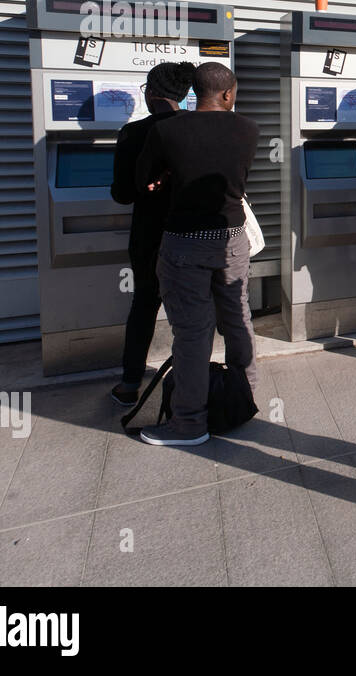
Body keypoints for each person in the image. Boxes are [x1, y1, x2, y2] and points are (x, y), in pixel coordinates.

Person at [134, 62, 260, 447]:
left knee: (192, 333)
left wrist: (167, 177)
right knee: (238, 321)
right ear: (227, 94)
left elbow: (143, 181)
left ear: (194, 92)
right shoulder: (248, 130)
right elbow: (233, 177)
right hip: (233, 240)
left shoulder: (166, 130)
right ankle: (246, 396)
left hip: (185, 244)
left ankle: (189, 423)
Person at [109, 61, 195, 406]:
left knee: (144, 305)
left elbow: (123, 194)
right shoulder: (198, 128)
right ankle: (192, 384)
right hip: (191, 234)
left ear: (150, 92)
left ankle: (130, 384)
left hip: (149, 238)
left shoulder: (132, 133)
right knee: (191, 311)